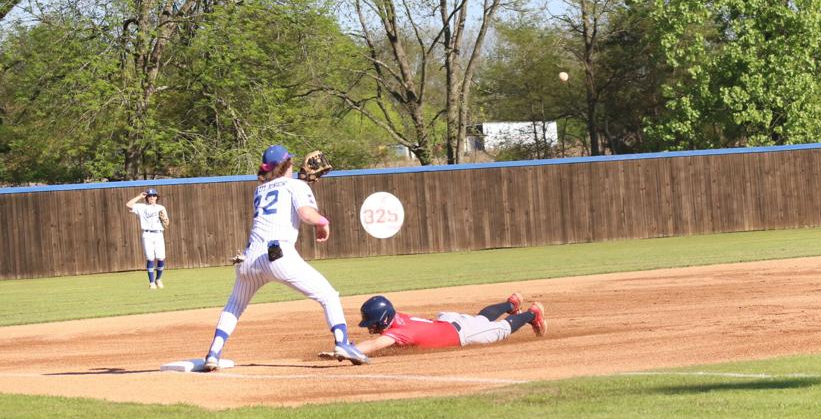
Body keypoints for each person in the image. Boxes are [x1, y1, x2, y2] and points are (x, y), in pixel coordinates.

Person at [203, 144, 368, 371]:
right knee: (328, 295)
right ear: (287, 163)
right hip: (278, 255)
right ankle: (342, 343)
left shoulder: (260, 190)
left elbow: (279, 189)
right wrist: (323, 222)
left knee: (234, 306)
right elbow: (306, 214)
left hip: (248, 259)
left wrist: (301, 182)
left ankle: (213, 353)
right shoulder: (296, 185)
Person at [339, 292, 546, 359]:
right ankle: (511, 304)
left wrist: (348, 350)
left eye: (373, 323)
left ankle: (532, 314)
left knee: (501, 330)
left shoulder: (400, 332)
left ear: (384, 319)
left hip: (465, 334)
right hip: (449, 322)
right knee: (480, 319)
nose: (370, 327)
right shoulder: (397, 318)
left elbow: (374, 345)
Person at [126, 188, 169, 289]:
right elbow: (128, 204)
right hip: (147, 234)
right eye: (149, 196)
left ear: (157, 197)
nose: (152, 197)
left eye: (154, 195)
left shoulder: (161, 207)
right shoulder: (142, 207)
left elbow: (167, 222)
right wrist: (139, 196)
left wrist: (165, 221)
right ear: (147, 197)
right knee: (150, 258)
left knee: (161, 257)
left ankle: (158, 279)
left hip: (158, 234)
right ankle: (152, 283)